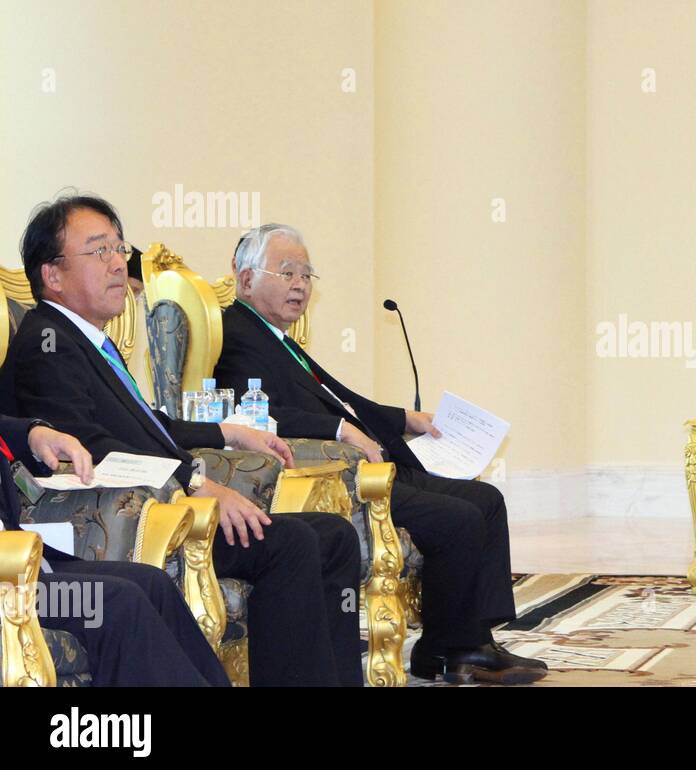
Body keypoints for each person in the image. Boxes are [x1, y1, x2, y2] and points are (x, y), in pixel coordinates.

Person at [0, 193, 363, 686]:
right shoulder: (50, 342)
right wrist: (194, 484)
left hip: (163, 501)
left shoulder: (90, 340)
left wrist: (227, 431)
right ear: (54, 275)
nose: (117, 264)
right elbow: (92, 448)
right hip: (139, 516)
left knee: (332, 535)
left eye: (118, 247)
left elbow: (150, 426)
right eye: (99, 250)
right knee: (292, 543)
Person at [214, 224, 546, 684]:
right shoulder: (234, 333)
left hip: (372, 462)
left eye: (307, 275)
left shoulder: (279, 339)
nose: (300, 285)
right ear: (247, 280)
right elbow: (262, 412)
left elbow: (343, 397)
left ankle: (473, 640)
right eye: (287, 272)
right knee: (457, 518)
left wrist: (405, 419)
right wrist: (341, 430)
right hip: (335, 477)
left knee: (486, 500)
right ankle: (448, 649)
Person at [1, 413, 230, 686]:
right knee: (116, 602)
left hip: (24, 568)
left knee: (152, 582)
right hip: (18, 593)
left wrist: (33, 434)